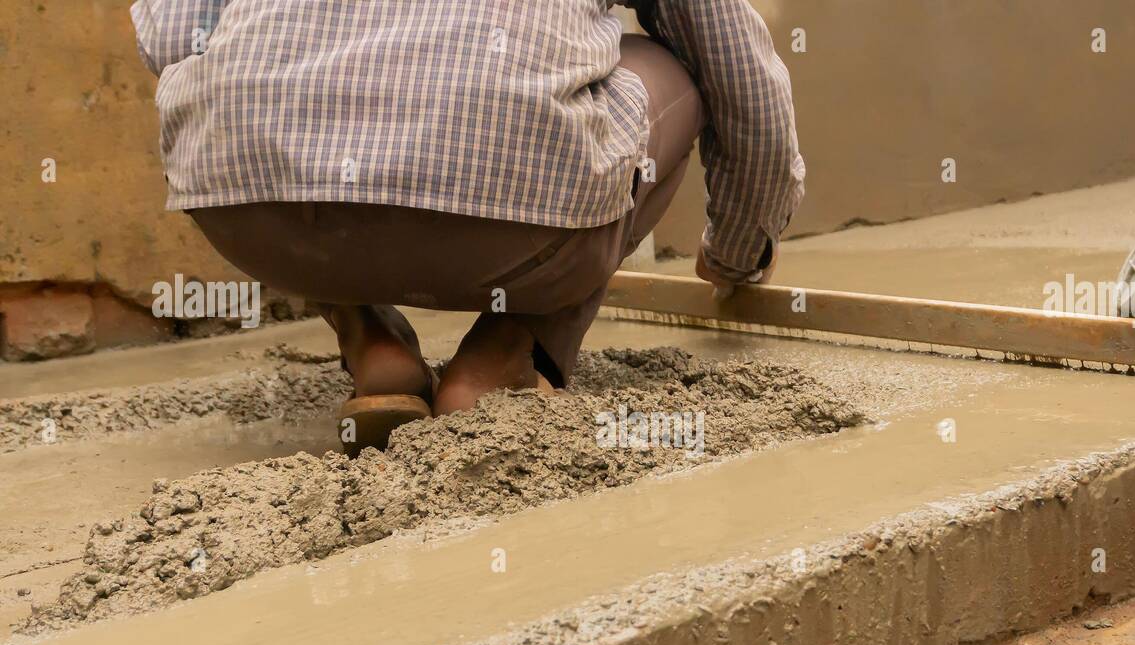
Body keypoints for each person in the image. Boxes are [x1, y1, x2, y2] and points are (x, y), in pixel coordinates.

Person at [131, 0, 804, 452]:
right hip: (520, 234)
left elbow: (167, 34)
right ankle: (510, 353)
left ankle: (372, 342)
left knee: (298, 85)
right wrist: (741, 248)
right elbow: (739, 69)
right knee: (675, 65)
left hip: (252, 217)